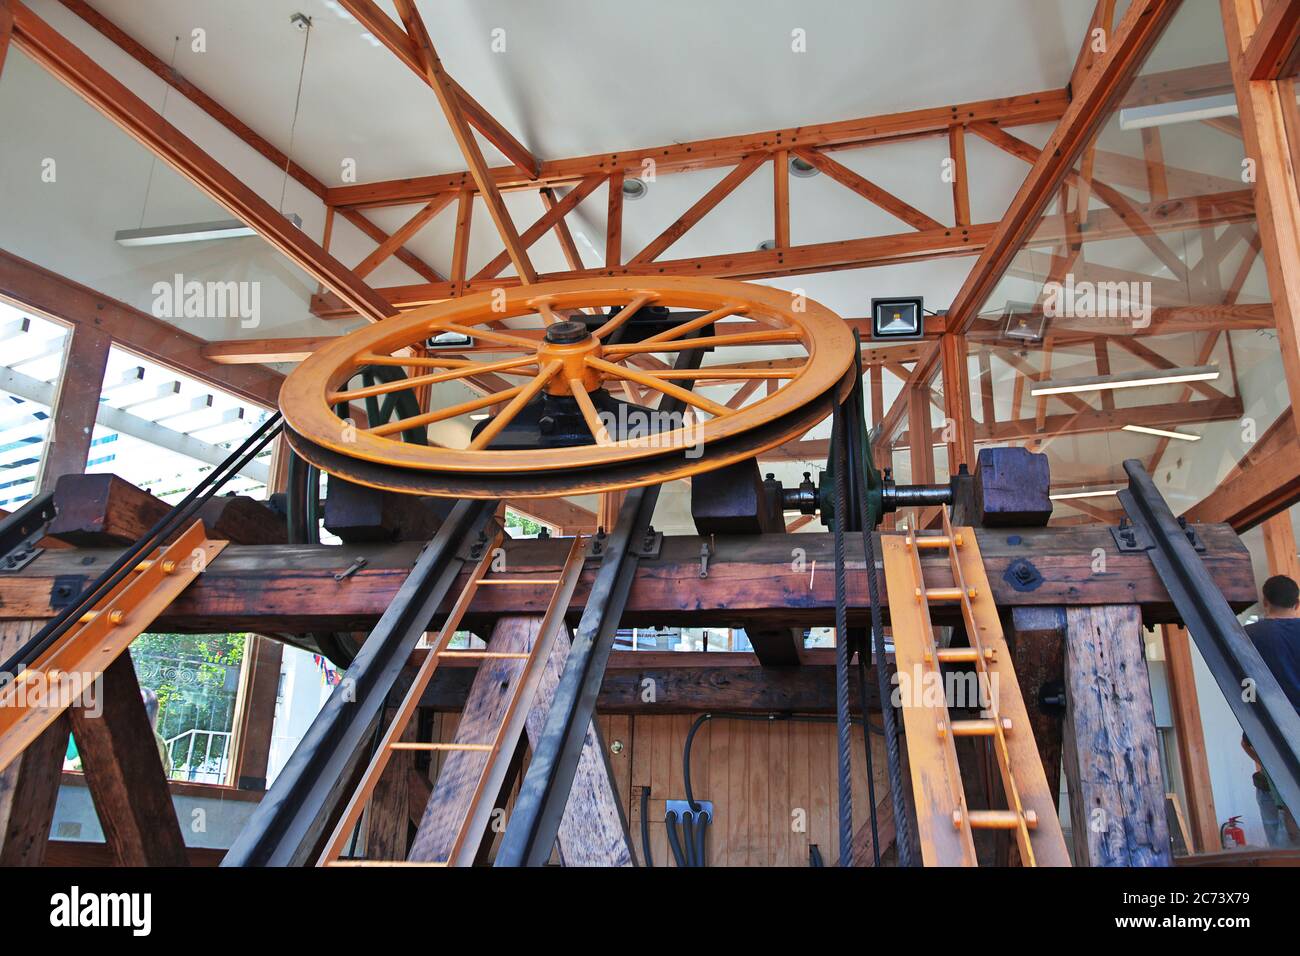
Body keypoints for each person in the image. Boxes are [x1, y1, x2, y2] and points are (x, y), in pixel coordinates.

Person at [1243, 574, 1300, 848]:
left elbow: (1244, 687)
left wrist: (1250, 733)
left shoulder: (1250, 635)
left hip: (1270, 730)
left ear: (1265, 602)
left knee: (1287, 797)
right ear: (1298, 603)